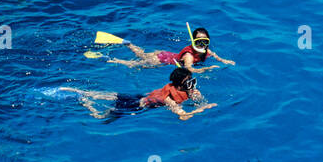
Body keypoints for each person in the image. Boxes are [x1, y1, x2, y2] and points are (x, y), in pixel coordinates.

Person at [60, 58, 217, 122]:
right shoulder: (169, 98)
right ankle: (85, 101)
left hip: (139, 97)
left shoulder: (185, 88)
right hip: (135, 106)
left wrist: (195, 96)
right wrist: (204, 108)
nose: (191, 84)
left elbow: (191, 96)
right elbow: (183, 117)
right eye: (187, 83)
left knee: (112, 96)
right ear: (177, 85)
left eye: (192, 81)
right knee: (100, 118)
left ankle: (78, 92)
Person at [109, 26, 235, 69]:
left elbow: (214, 55)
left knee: (140, 55)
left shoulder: (206, 50)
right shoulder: (189, 56)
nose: (202, 45)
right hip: (161, 59)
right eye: (198, 42)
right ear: (193, 41)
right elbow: (189, 69)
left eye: (204, 42)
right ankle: (113, 60)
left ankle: (129, 44)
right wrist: (205, 69)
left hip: (166, 53)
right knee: (136, 64)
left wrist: (224, 61)